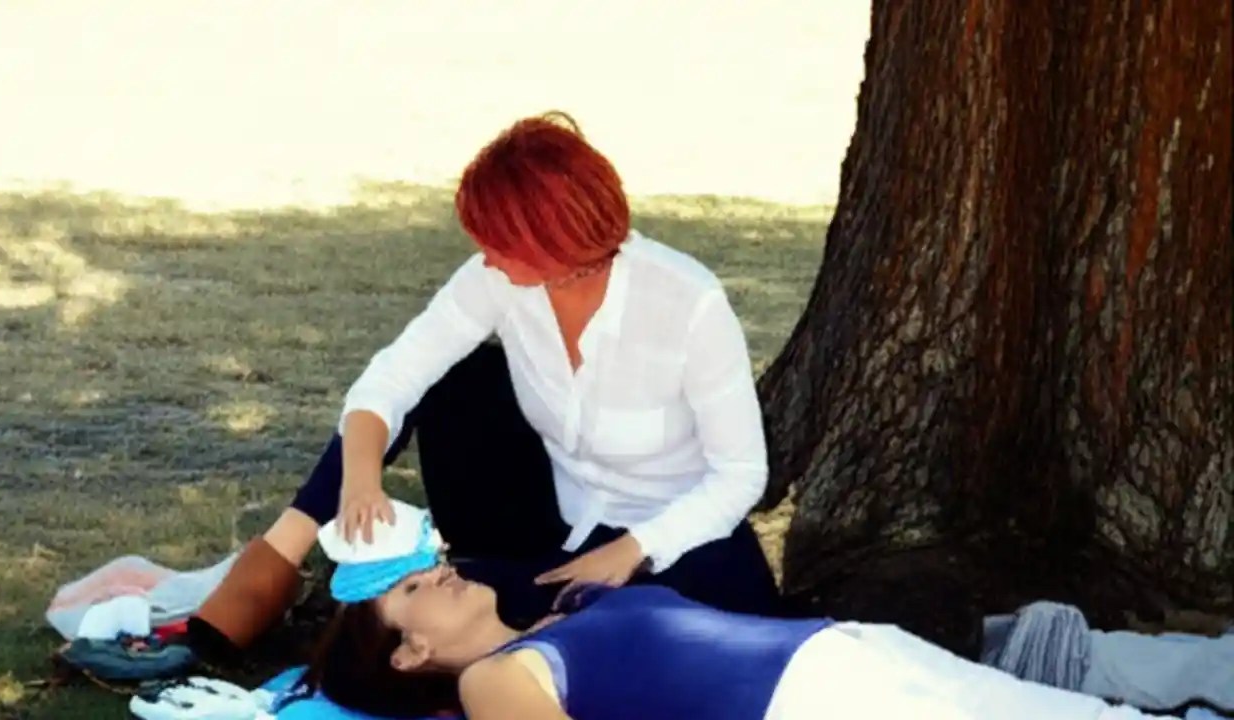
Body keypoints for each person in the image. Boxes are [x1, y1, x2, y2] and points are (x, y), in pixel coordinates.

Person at [188, 111, 780, 654]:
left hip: (669, 538)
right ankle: (280, 556)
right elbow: (394, 376)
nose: (485, 258)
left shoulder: (687, 302)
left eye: (497, 244)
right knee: (451, 380)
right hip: (548, 516)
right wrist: (361, 481)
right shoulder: (494, 279)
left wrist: (631, 549)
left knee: (622, 637)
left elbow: (741, 475)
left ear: (552, 241)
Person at [293, 562, 1176, 720]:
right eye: (414, 592)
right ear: (408, 654)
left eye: (424, 568)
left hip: (853, 653)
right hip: (815, 704)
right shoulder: (495, 681)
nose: (437, 573)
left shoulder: (562, 614)